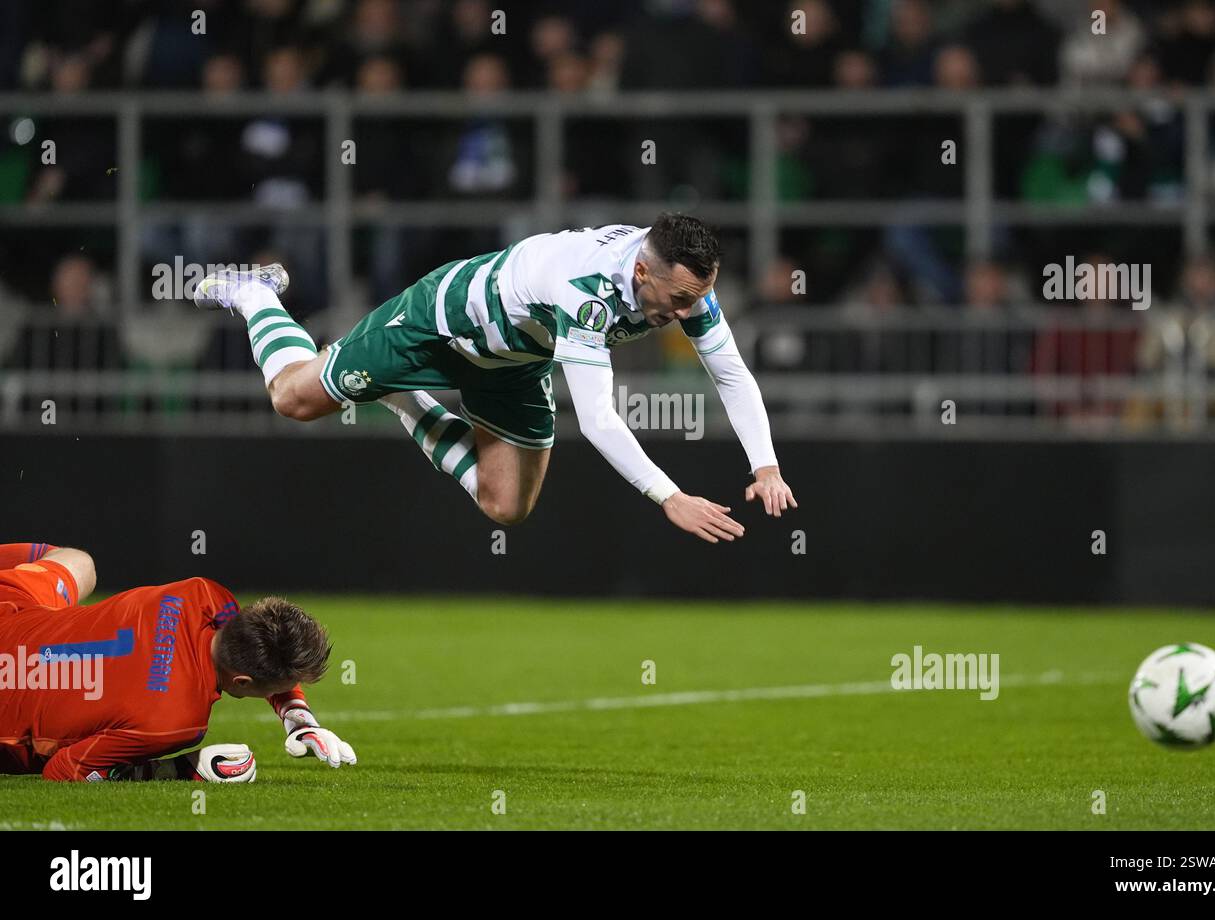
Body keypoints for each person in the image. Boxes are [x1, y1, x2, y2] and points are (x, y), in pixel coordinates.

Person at [192, 213, 797, 544]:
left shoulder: (685, 288)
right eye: (682, 298)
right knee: (293, 399)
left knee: (507, 508)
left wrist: (764, 465)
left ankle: (403, 400)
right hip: (441, 325)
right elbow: (597, 417)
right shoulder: (586, 288)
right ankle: (255, 294)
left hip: (516, 361)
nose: (691, 312)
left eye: (701, 298)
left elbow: (731, 373)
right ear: (641, 271)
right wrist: (670, 497)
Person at [0, 541, 355, 782]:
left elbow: (256, 641)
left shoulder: (200, 593)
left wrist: (298, 718)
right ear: (242, 682)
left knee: (79, 563)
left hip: (9, 611)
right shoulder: (177, 722)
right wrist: (181, 768)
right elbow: (64, 770)